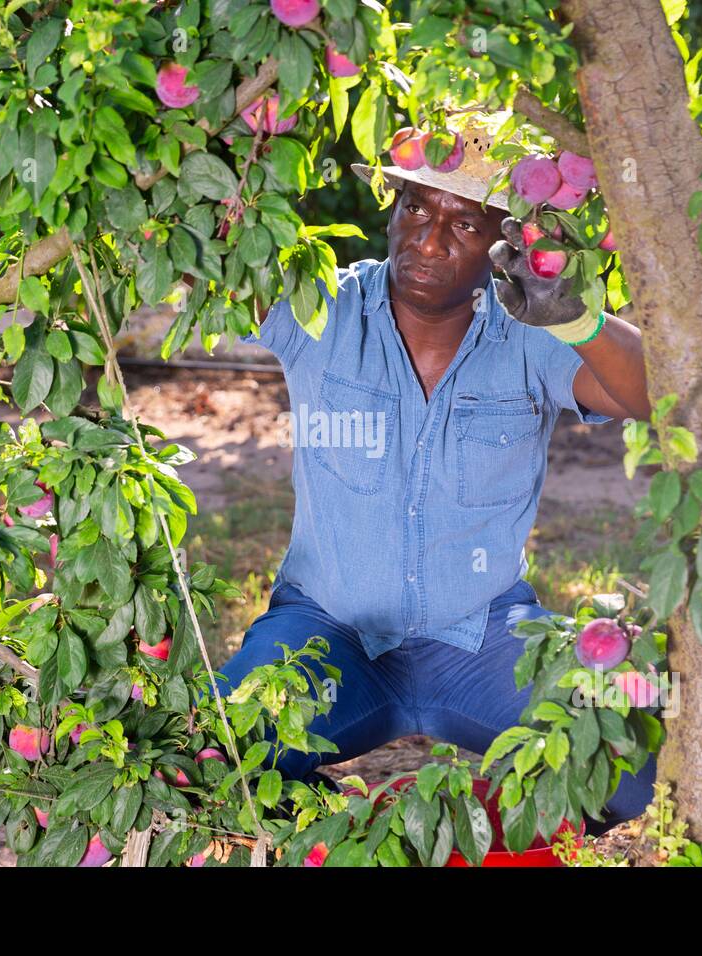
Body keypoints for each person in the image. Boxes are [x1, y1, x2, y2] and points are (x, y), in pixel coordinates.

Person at [217, 110, 656, 834]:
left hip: (482, 640)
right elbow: (210, 250)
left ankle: (507, 837)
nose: (426, 237)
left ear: (505, 243)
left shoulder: (528, 330)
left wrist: (576, 319)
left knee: (631, 756)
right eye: (415, 207)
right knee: (222, 751)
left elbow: (655, 392)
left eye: (464, 223)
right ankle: (328, 835)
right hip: (329, 633)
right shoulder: (319, 303)